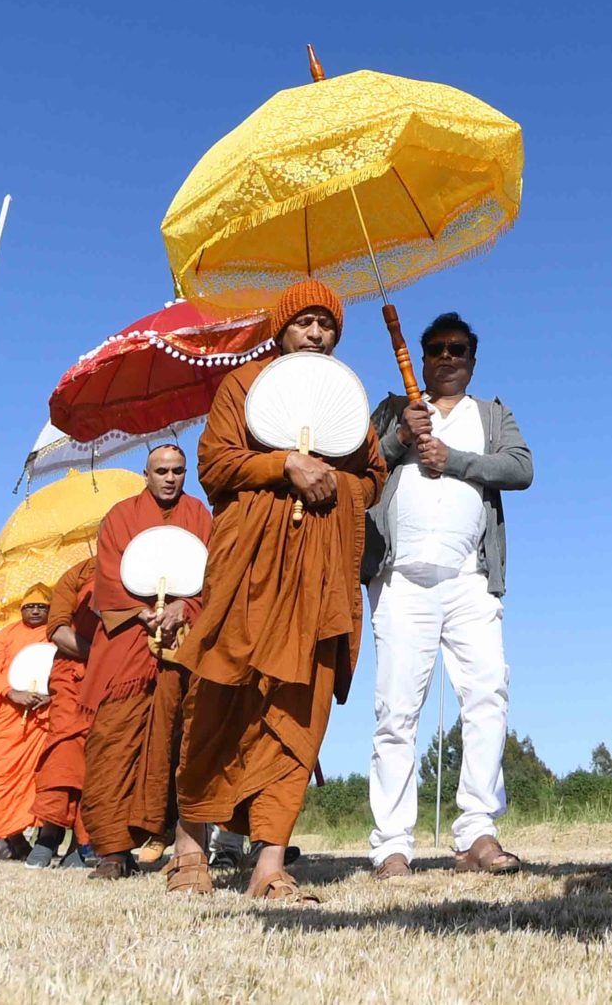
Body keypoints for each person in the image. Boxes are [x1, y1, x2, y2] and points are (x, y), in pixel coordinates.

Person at [169, 280, 388, 900]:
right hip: (250, 563)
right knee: (220, 688)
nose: (317, 333)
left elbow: (372, 477)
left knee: (301, 704)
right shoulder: (246, 385)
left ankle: (269, 864)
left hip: (319, 572)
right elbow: (214, 464)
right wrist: (282, 466)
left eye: (327, 324)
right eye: (305, 322)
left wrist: (335, 483)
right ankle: (190, 845)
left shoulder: (344, 395)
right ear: (282, 330)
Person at [360, 312, 532, 879]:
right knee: (396, 711)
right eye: (436, 349)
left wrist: (453, 461)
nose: (446, 357)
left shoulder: (491, 414)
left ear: (472, 360)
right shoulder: (394, 409)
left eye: (457, 349)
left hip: (469, 577)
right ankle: (392, 844)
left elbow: (520, 468)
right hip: (400, 577)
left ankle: (476, 833)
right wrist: (400, 437)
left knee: (487, 695)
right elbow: (361, 469)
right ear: (423, 355)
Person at [82, 441, 213, 880]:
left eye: (178, 470)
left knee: (177, 739)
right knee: (113, 742)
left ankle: (170, 840)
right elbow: (107, 576)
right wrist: (141, 612)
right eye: (161, 470)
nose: (170, 478)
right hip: (127, 642)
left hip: (182, 641)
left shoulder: (199, 516)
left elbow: (212, 575)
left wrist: (185, 608)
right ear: (146, 473)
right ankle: (112, 852)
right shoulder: (120, 517)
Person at [0, 585, 58, 860]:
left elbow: (64, 668)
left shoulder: (57, 633)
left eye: (42, 606)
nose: (36, 610)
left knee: (39, 780)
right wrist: (12, 693)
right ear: (22, 609)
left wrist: (51, 696)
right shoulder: (6, 635)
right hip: (8, 717)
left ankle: (31, 841)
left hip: (42, 718)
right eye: (31, 606)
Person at [27, 555, 98, 867]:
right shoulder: (77, 573)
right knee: (64, 752)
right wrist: (100, 654)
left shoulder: (138, 569)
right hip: (73, 672)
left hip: (117, 678)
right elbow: (56, 630)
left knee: (103, 760)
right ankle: (49, 834)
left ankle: (81, 845)